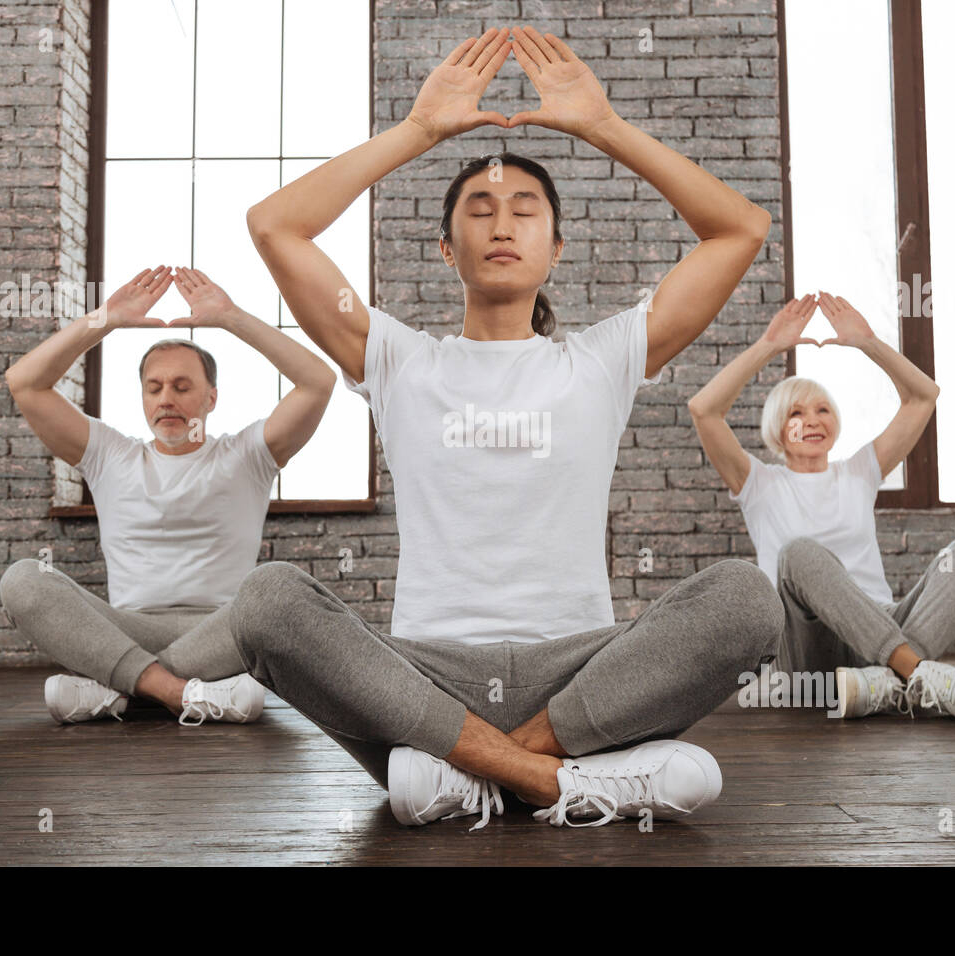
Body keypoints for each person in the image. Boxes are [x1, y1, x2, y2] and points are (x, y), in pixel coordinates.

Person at [233, 25, 783, 831]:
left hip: (581, 676)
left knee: (745, 598)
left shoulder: (603, 359)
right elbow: (275, 225)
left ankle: (482, 773)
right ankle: (561, 780)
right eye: (479, 209)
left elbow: (741, 230)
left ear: (555, 250)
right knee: (266, 603)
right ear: (447, 250)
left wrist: (603, 126)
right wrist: (419, 131)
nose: (501, 223)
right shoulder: (396, 359)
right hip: (426, 682)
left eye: (525, 210)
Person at [0, 266, 337, 726]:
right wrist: (107, 318)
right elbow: (26, 383)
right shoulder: (108, 455)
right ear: (141, 396)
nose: (166, 400)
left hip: (221, 632)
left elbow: (318, 381)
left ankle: (119, 689)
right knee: (22, 580)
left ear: (211, 397)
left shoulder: (248, 455)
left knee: (280, 587)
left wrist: (231, 316)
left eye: (182, 386)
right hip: (126, 628)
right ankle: (179, 694)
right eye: (154, 388)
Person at [687, 290, 955, 722]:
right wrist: (769, 346)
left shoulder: (859, 471)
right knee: (800, 554)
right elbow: (704, 411)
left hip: (879, 627)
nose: (812, 420)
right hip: (807, 651)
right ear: (778, 429)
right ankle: (916, 673)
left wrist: (867, 342)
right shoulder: (758, 483)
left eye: (822, 409)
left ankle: (885, 686)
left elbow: (923, 396)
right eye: (796, 413)